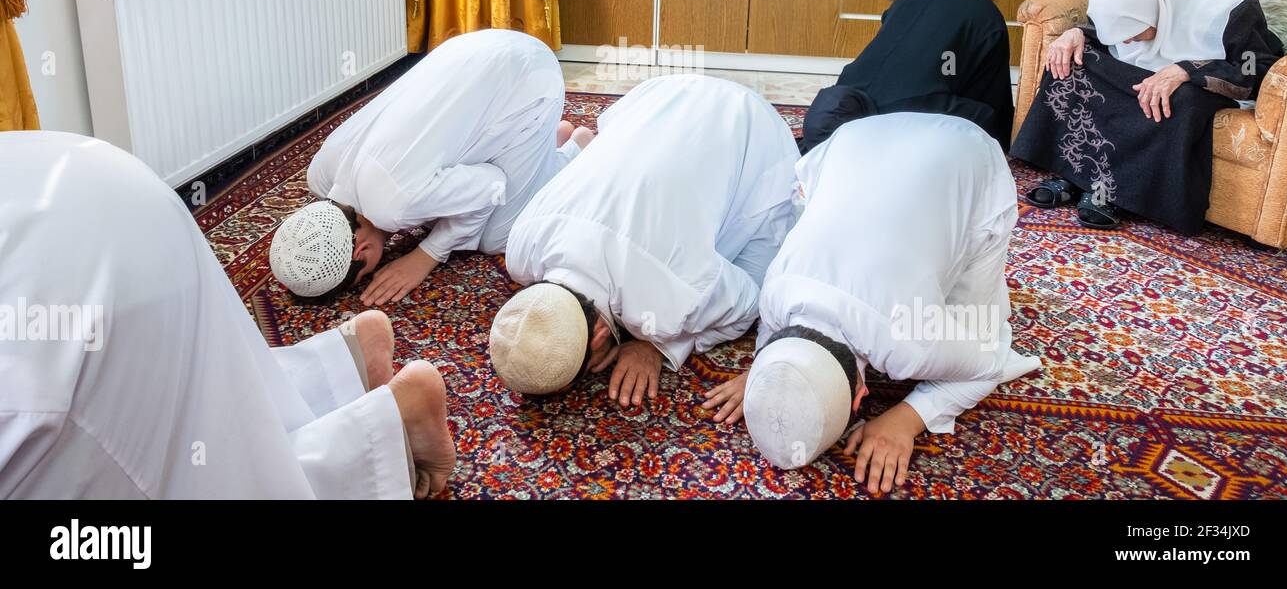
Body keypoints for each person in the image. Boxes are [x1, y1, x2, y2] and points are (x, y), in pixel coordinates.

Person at [0, 132, 456, 498]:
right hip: (81, 179)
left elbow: (491, 191)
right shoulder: (346, 169)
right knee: (211, 387)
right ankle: (339, 367)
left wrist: (426, 255)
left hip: (53, 279)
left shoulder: (368, 182)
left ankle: (376, 433)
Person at [703, 113, 1040, 494]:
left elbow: (988, 363)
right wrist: (773, 369)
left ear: (862, 397)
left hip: (969, 153)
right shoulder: (777, 291)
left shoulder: (909, 344)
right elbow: (773, 330)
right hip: (855, 136)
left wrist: (908, 418)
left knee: (978, 321)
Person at [489, 74, 800, 408]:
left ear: (600, 337)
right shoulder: (521, 247)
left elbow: (748, 305)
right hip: (662, 92)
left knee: (760, 273)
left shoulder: (673, 293)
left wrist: (657, 344)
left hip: (757, 128)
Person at [270, 29, 593, 306]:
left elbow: (492, 185)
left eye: (366, 275)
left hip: (529, 76)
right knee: (441, 210)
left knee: (499, 236)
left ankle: (575, 149)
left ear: (362, 252)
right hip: (476, 48)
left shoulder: (394, 205)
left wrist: (425, 257)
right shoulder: (321, 174)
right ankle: (544, 148)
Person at [1012, 0, 1284, 233]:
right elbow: (1114, 31)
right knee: (1076, 61)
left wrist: (1186, 70)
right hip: (1145, 74)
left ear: (1158, 8)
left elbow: (1258, 67)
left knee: (1179, 100)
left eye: (1134, 32)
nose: (1127, 40)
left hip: (1202, 80)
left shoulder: (1228, 4)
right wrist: (1078, 34)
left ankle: (1110, 191)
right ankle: (1077, 174)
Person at [800, 0, 1012, 154]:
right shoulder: (846, 83)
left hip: (978, 15)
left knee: (981, 126)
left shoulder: (909, 105)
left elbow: (982, 115)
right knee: (943, 68)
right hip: (911, 2)